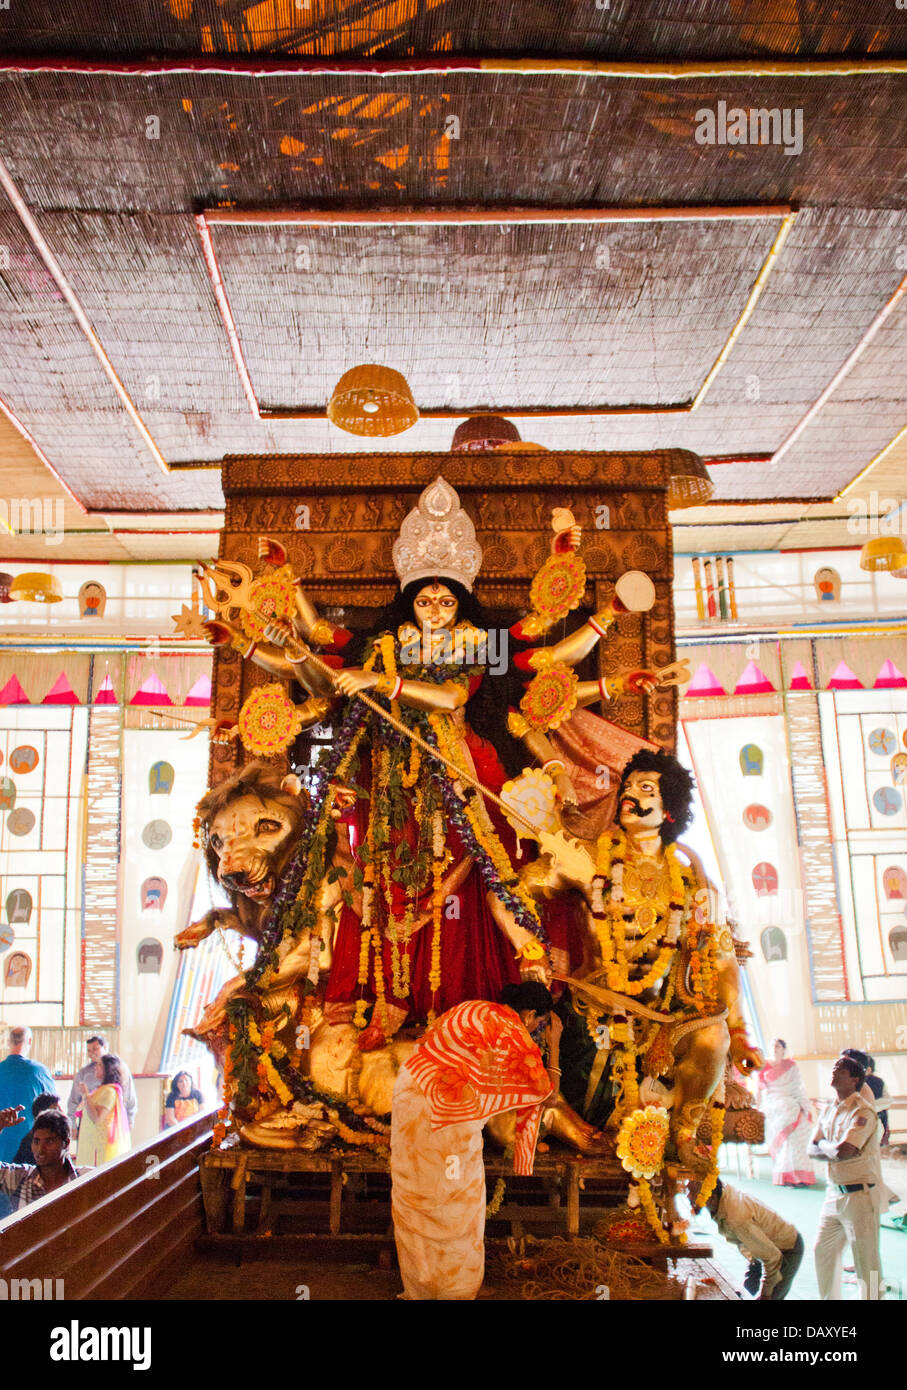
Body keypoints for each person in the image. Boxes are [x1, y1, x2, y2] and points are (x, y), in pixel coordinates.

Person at [390, 982, 557, 1300]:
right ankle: (456, 1289)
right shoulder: (510, 1029)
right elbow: (545, 1095)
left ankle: (421, 1287)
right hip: (446, 1117)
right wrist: (556, 1045)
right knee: (458, 1201)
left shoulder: (475, 1009)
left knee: (416, 1193)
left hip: (410, 1100)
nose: (537, 1029)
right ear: (532, 1014)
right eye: (540, 1023)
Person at [810, 1055, 883, 1300]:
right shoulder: (830, 1108)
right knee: (823, 1252)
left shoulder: (863, 1111)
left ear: (854, 1079)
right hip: (834, 1194)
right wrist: (831, 1148)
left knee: (866, 1263)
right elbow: (812, 1148)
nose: (833, 1070)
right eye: (833, 1066)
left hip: (859, 1195)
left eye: (839, 1068)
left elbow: (846, 1151)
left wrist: (825, 1146)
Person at [689, 1175, 804, 1300]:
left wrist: (766, 1295)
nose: (688, 1197)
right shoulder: (720, 1192)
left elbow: (773, 1258)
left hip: (785, 1250)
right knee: (743, 1292)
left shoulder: (736, 1218)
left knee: (769, 1296)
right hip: (759, 1250)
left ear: (712, 1198)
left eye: (693, 1194)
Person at [0, 1106, 89, 1211]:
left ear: (66, 1143)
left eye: (49, 1141)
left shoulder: (86, 1179)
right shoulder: (20, 1179)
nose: (40, 1149)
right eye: (36, 1141)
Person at [757, 1039, 815, 1186]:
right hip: (774, 1104)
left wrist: (804, 1106)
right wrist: (758, 1109)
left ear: (784, 1049)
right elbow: (760, 1091)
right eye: (772, 1045)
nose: (775, 1048)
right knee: (789, 1128)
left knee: (801, 1132)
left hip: (791, 1101)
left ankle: (802, 1177)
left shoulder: (791, 1066)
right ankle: (787, 1176)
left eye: (778, 1046)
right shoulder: (763, 1066)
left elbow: (798, 1088)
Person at [0, 1026, 57, 1163]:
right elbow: (52, 1107)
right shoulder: (39, 1072)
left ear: (9, 1042)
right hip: (30, 1143)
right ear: (29, 1041)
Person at [68, 1035, 137, 1134]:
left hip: (113, 1124)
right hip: (88, 1125)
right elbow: (74, 1100)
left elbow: (129, 1097)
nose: (92, 1053)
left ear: (105, 1047)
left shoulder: (121, 1069)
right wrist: (73, 1125)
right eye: (89, 1050)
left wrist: (130, 1120)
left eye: (95, 1049)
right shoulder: (84, 1073)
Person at [75, 1053, 131, 1167]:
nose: (95, 1067)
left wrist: (85, 1095)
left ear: (108, 1069)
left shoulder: (110, 1092)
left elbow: (96, 1118)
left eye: (100, 1065)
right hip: (90, 1142)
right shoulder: (100, 1090)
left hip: (99, 1146)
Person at [842, 1049, 891, 1146]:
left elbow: (888, 1101)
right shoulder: (847, 1085)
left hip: (873, 1121)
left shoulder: (870, 1084)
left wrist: (870, 1106)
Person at [12, 1093, 63, 1164]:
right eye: (57, 1110)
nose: (62, 1113)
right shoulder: (31, 1140)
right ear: (41, 1115)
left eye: (60, 1109)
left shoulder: (59, 1136)